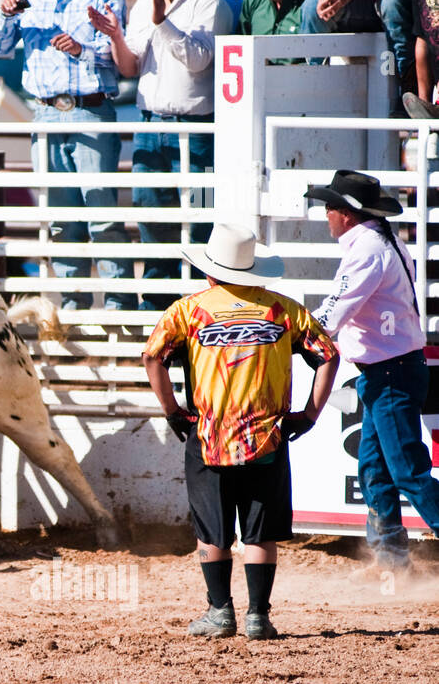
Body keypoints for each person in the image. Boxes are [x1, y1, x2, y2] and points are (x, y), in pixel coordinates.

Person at [143, 224, 339, 640]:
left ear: (211, 272)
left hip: (209, 433)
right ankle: (258, 617)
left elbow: (153, 358)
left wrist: (173, 410)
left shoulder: (187, 311)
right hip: (267, 435)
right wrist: (310, 414)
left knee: (212, 527)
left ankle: (219, 612)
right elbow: (328, 355)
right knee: (260, 529)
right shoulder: (283, 309)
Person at [0, 0, 130, 311]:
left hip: (89, 109)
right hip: (46, 113)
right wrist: (5, 14)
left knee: (102, 214)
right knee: (61, 217)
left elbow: (120, 55)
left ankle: (118, 306)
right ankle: (72, 306)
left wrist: (82, 51)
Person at [90, 0, 230, 312]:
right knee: (152, 214)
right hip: (151, 125)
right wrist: (117, 37)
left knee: (201, 216)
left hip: (197, 130)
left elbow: (199, 59)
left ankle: (203, 306)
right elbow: (131, 66)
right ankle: (159, 310)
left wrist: (160, 21)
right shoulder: (145, 7)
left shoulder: (211, 6)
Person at [306, 171, 437, 581]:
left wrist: (296, 332)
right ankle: (391, 561)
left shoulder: (366, 249)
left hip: (390, 371)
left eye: (329, 207)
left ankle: (390, 557)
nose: (325, 214)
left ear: (346, 214)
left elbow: (336, 308)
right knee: (378, 468)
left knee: (404, 471)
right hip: (393, 367)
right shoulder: (382, 240)